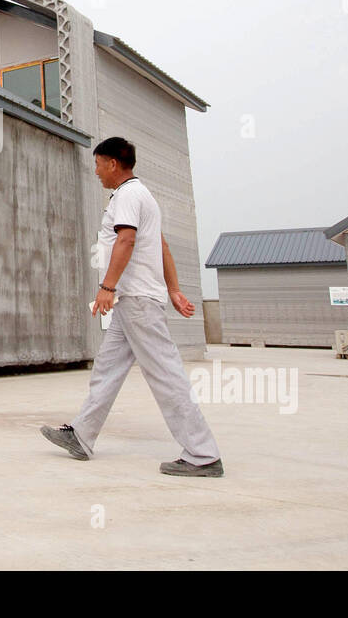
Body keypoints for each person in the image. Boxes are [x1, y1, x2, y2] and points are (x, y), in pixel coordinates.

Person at [41, 136, 224, 477]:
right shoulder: (143, 196)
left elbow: (126, 240)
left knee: (166, 375)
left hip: (136, 300)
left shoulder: (127, 195)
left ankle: (203, 455)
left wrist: (107, 287)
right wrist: (173, 289)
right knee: (107, 369)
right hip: (134, 301)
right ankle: (81, 435)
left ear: (112, 163)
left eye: (98, 164)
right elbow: (162, 246)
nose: (96, 172)